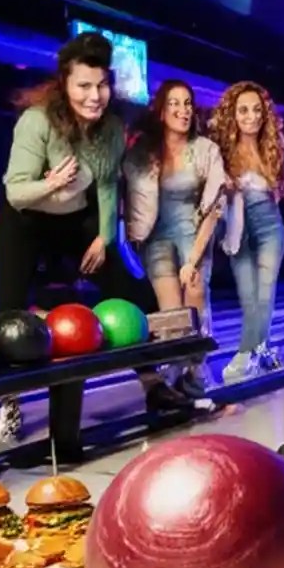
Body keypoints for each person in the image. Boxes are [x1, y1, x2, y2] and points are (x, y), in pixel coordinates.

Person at [0, 32, 193, 449]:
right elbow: (15, 192)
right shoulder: (38, 121)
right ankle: (8, 404)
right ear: (65, 83)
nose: (94, 95)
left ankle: (154, 384)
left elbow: (105, 186)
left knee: (130, 291)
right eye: (84, 85)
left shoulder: (112, 129)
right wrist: (51, 184)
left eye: (101, 85)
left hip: (78, 220)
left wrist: (103, 239)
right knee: (11, 309)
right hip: (25, 220)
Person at [123, 80, 227, 398]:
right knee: (171, 313)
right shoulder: (142, 153)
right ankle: (176, 369)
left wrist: (194, 258)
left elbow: (215, 207)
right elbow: (121, 189)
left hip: (193, 232)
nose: (183, 111)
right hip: (155, 237)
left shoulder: (206, 150)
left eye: (187, 103)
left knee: (195, 289)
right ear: (161, 110)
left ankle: (196, 367)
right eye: (174, 104)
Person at [210, 81, 284, 383]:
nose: (251, 116)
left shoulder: (273, 148)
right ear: (232, 114)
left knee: (264, 296)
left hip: (270, 228)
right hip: (238, 231)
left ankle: (243, 353)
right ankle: (260, 348)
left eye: (257, 110)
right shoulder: (220, 152)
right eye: (243, 110)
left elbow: (282, 189)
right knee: (249, 299)